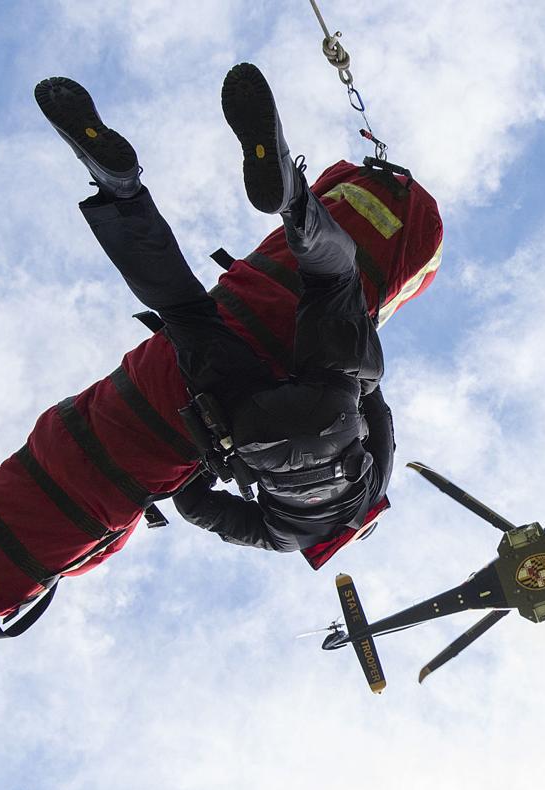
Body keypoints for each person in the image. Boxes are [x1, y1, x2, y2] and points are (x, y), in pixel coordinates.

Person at [34, 63, 393, 553]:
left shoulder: (373, 491)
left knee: (334, 278)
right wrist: (208, 461)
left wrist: (354, 376)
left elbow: (381, 415)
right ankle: (118, 190)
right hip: (251, 430)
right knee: (182, 310)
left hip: (334, 410)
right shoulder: (284, 540)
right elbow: (195, 507)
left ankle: (290, 196)